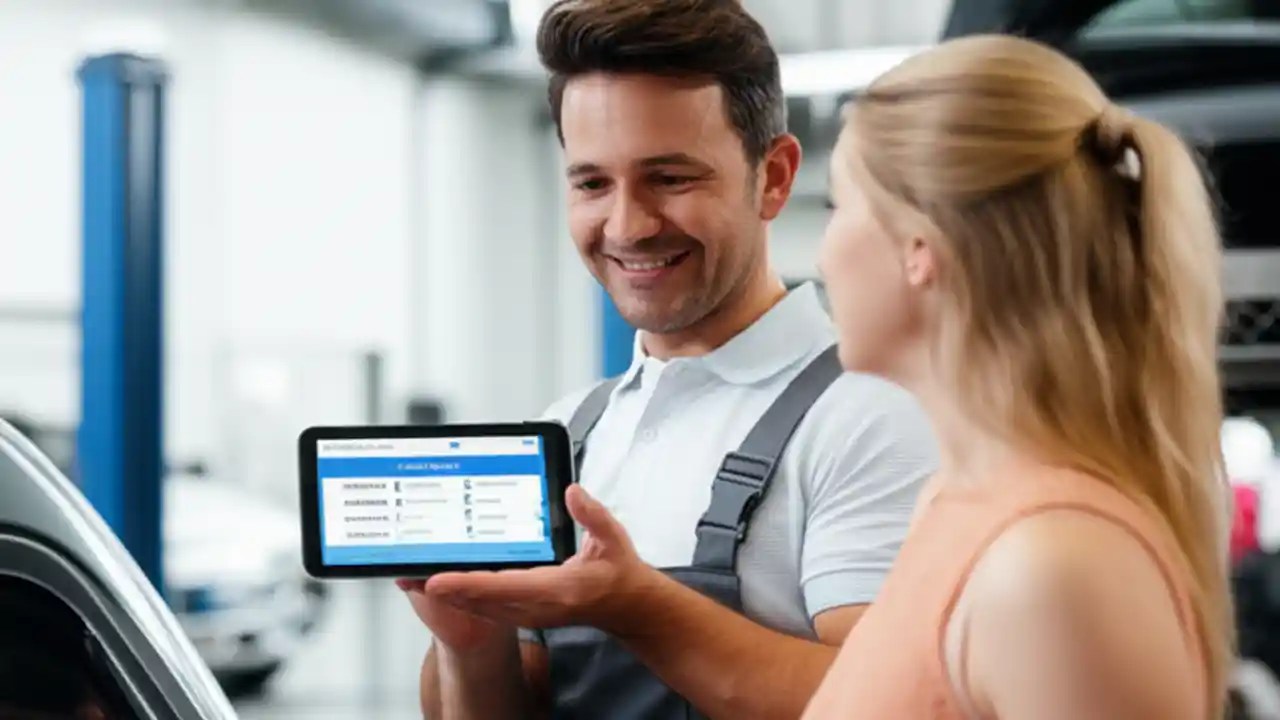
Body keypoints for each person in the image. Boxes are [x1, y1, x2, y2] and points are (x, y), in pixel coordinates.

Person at [396, 0, 937, 718]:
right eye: (592, 183)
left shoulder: (872, 416)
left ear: (774, 177)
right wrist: (471, 644)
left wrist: (639, 607)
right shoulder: (570, 431)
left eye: (671, 179)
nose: (628, 226)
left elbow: (897, 704)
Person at [801, 34, 1233, 719]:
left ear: (918, 248)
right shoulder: (959, 505)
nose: (821, 255)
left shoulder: (1053, 568)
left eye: (837, 206)